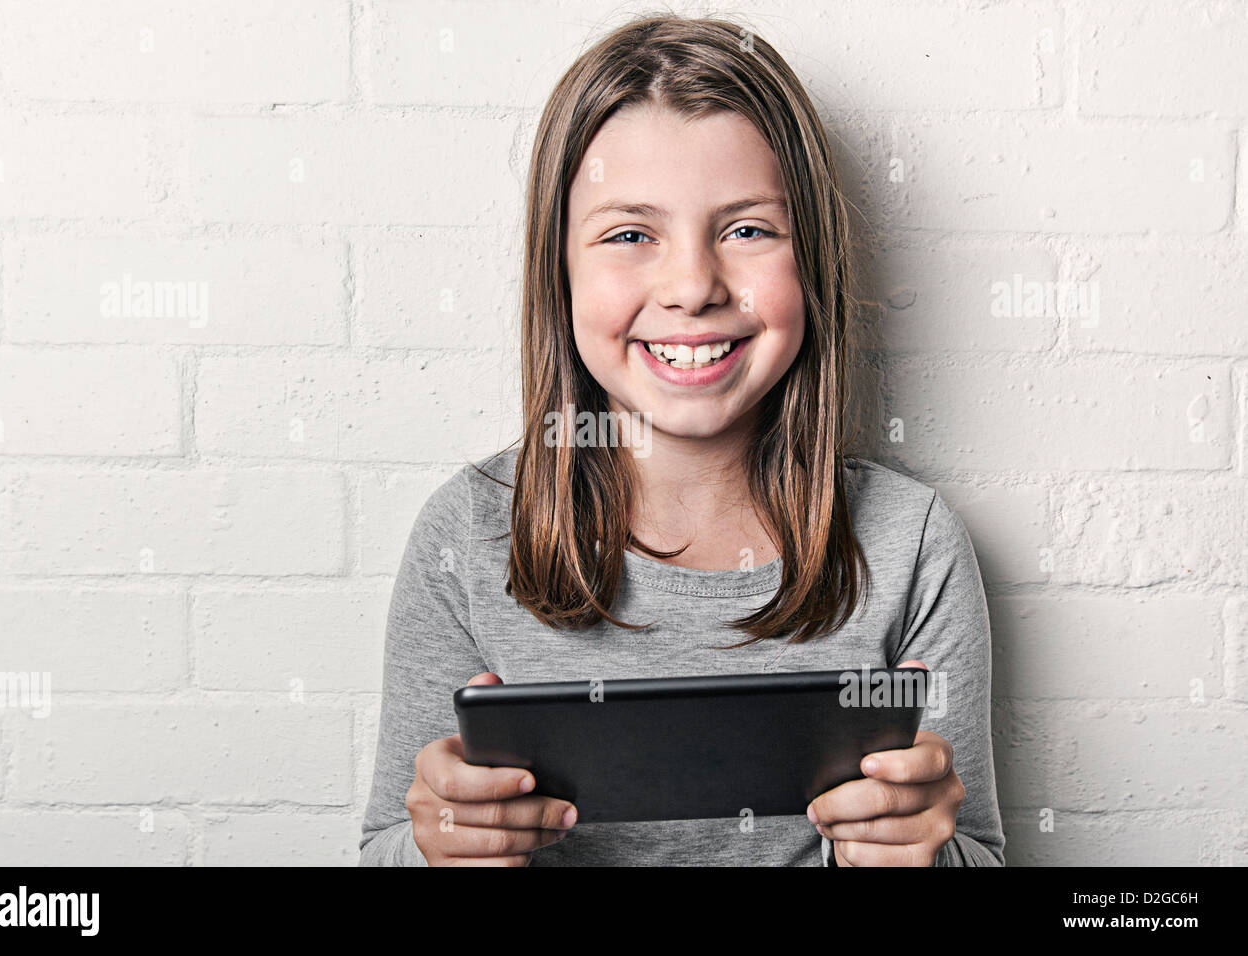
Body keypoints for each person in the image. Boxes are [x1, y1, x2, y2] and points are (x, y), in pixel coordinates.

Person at [359, 13, 1004, 867]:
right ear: (560, 271)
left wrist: (917, 854)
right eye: (630, 234)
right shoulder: (468, 537)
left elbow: (978, 856)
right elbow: (383, 853)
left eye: (747, 229)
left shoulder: (911, 542)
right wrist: (440, 846)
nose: (692, 286)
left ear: (811, 259)